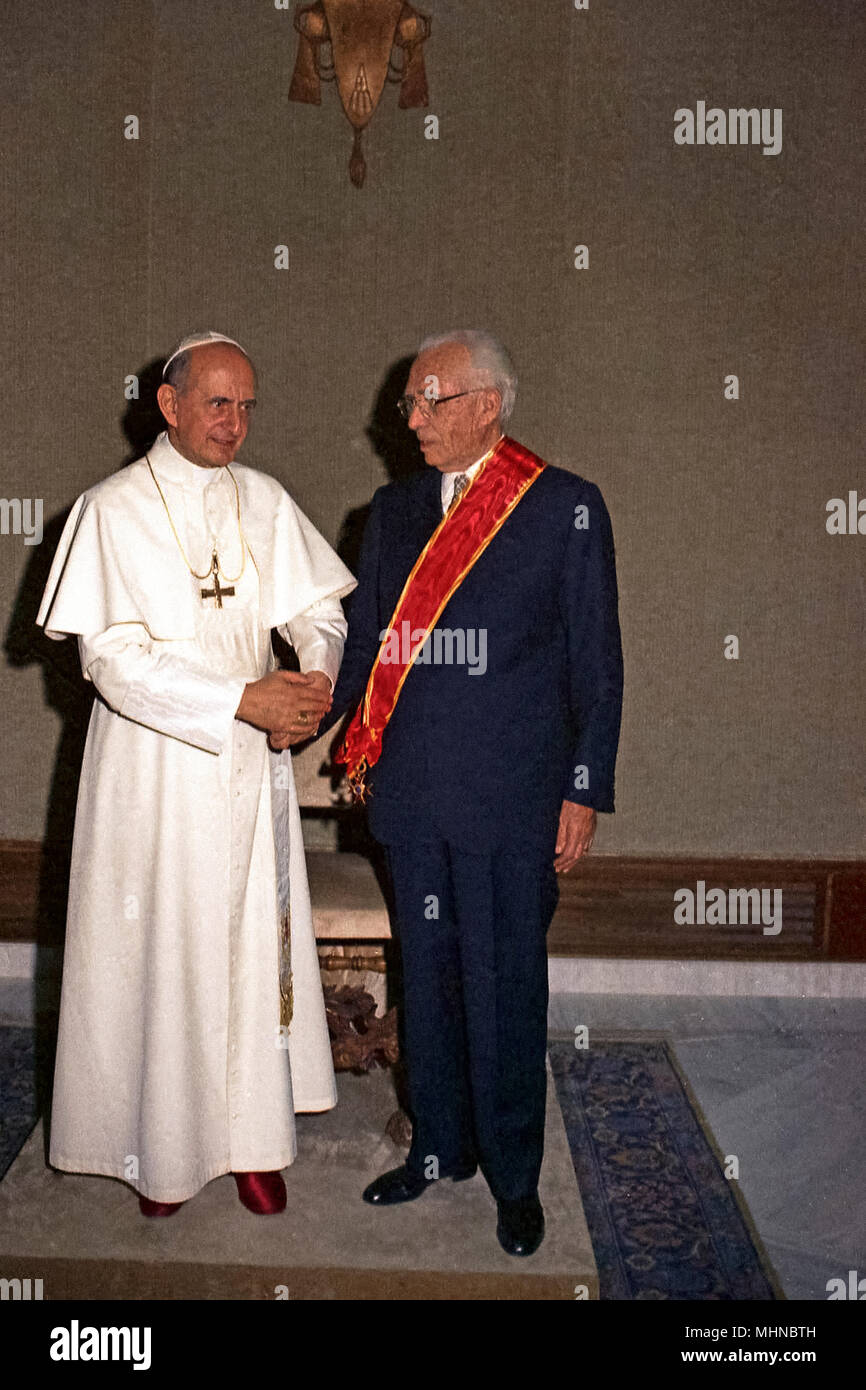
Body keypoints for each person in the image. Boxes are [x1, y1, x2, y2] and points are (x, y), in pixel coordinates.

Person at [36, 331, 356, 1217]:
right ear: (168, 404)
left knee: (250, 948)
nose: (236, 422)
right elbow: (112, 662)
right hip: (154, 771)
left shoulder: (263, 498)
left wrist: (316, 678)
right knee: (163, 953)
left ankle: (253, 1140)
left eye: (249, 405)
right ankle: (162, 1151)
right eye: (218, 403)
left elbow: (319, 608)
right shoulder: (111, 510)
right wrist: (238, 701)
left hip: (252, 774)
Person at [320, 329, 623, 1256]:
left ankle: (515, 1177)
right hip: (411, 798)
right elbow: (368, 643)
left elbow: (595, 662)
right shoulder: (392, 508)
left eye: (427, 400)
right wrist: (297, 714)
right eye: (408, 402)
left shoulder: (563, 506)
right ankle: (437, 1147)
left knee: (506, 986)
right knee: (433, 980)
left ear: (487, 404)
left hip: (513, 800)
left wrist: (584, 789)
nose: (407, 418)